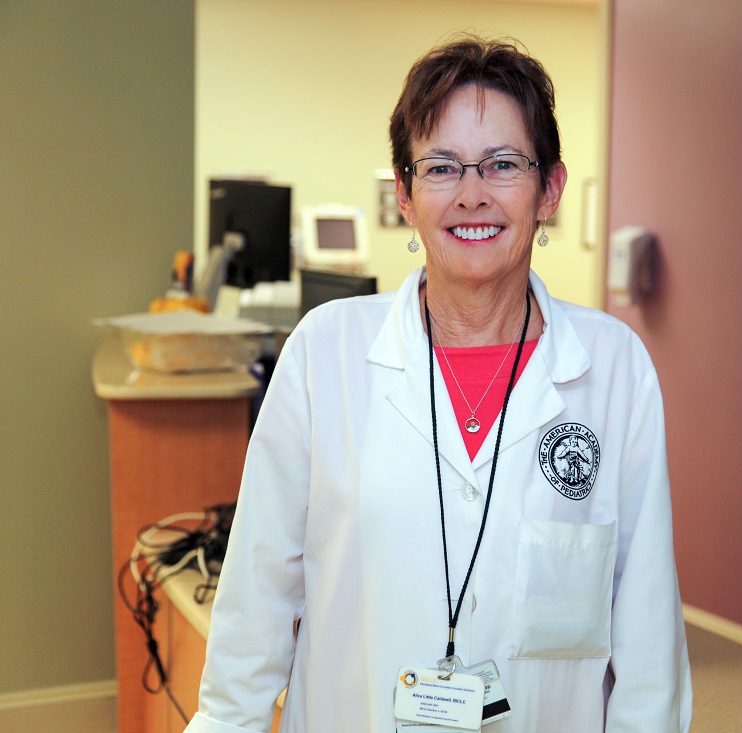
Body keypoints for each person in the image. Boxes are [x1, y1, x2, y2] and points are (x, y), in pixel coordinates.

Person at [186, 34, 692, 733]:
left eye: (503, 164)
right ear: (405, 194)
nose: (471, 195)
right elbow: (258, 593)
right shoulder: (323, 352)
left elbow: (646, 622)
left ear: (549, 189)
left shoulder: (614, 368)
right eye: (442, 167)